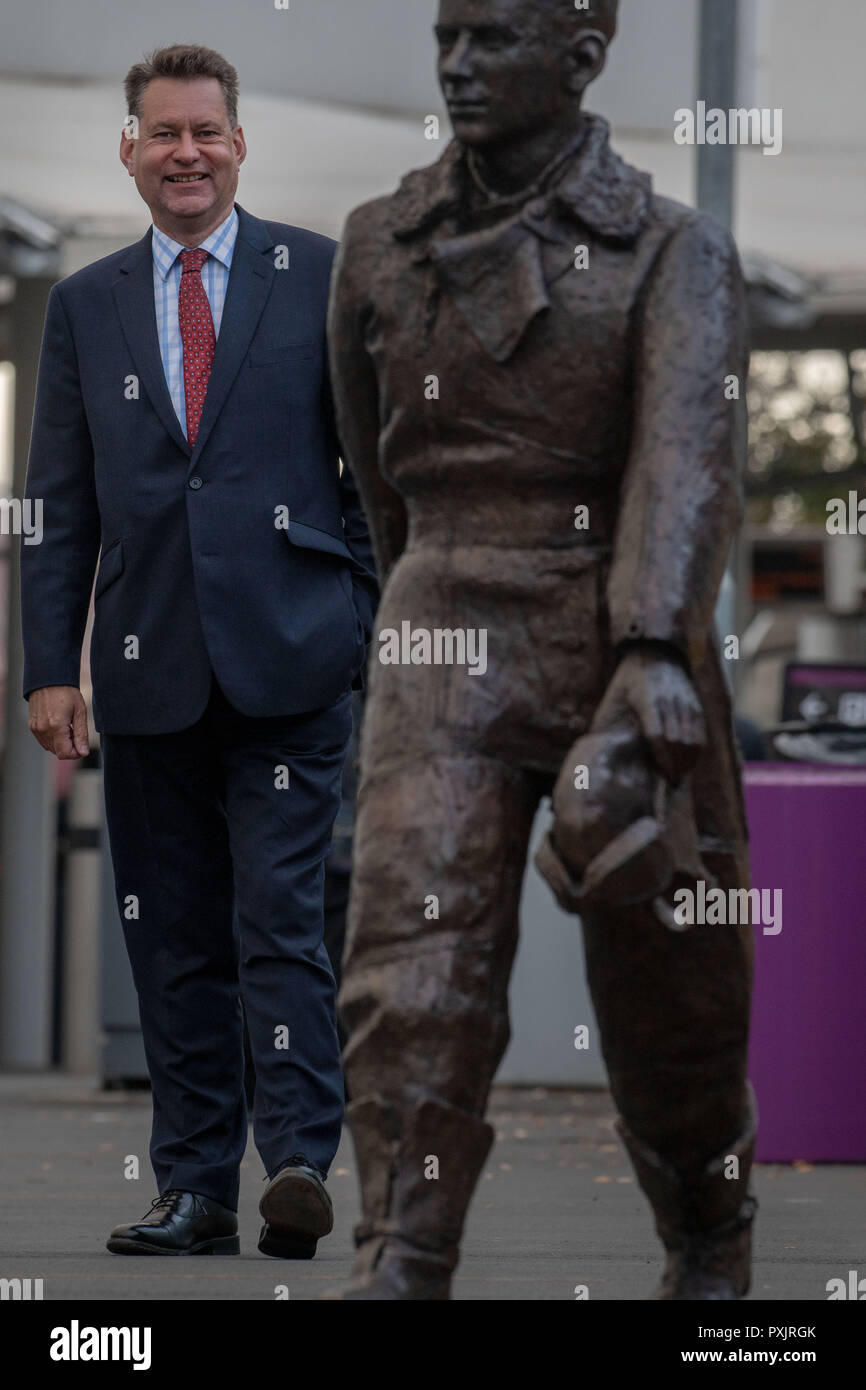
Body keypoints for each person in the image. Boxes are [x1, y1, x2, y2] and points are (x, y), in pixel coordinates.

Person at [327, 0, 757, 1299]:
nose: (457, 65)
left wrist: (654, 648)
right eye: (447, 36)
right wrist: (429, 587)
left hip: (620, 637)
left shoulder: (672, 251)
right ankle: (403, 1245)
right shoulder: (376, 245)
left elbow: (687, 461)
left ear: (580, 58)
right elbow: (377, 468)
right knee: (411, 961)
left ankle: (704, 1233)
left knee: (668, 983)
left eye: (492, 40)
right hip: (443, 615)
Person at [22, 43, 377, 1260]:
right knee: (170, 936)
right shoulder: (86, 302)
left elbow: (370, 479)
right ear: (130, 147)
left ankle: (294, 1164)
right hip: (145, 662)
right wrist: (47, 668)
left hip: (291, 661)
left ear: (239, 143)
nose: (185, 152)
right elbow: (59, 501)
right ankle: (193, 1192)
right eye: (162, 132)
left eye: (205, 132)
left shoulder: (318, 276)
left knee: (276, 918)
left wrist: (360, 627)